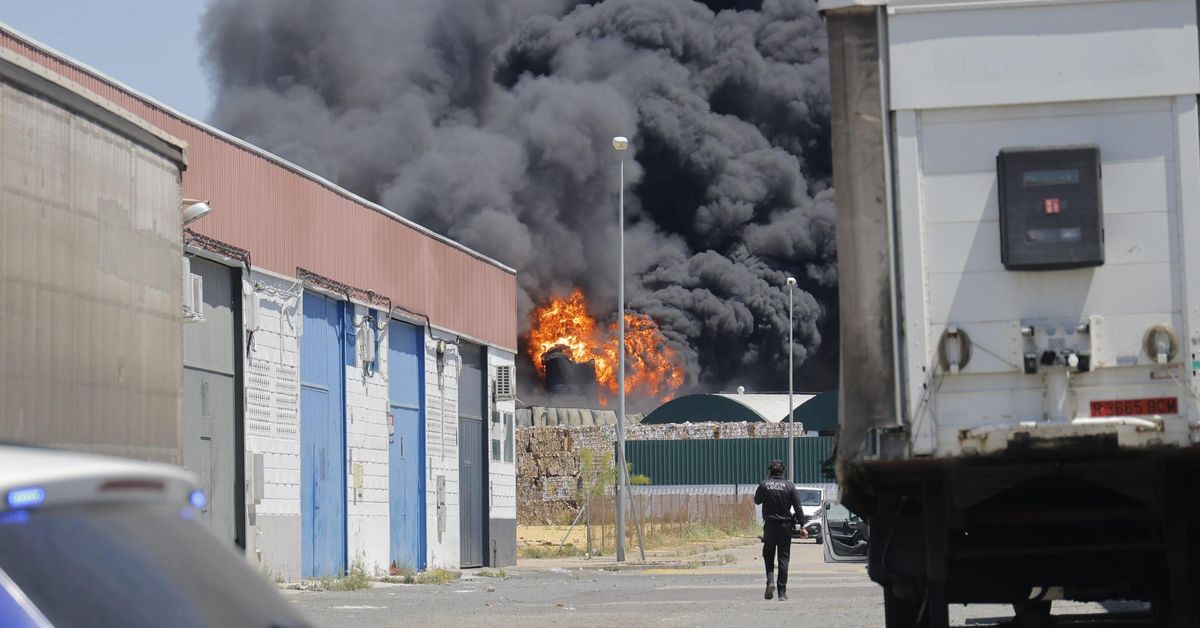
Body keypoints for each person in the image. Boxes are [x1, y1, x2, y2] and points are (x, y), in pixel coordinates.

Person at [754, 459, 804, 601]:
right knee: (783, 558)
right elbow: (798, 507)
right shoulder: (789, 486)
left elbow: (757, 500)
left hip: (770, 526)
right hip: (785, 527)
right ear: (783, 470)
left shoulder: (764, 484)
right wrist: (803, 526)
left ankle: (770, 581)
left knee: (768, 555)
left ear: (770, 470)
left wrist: (767, 481)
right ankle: (782, 592)